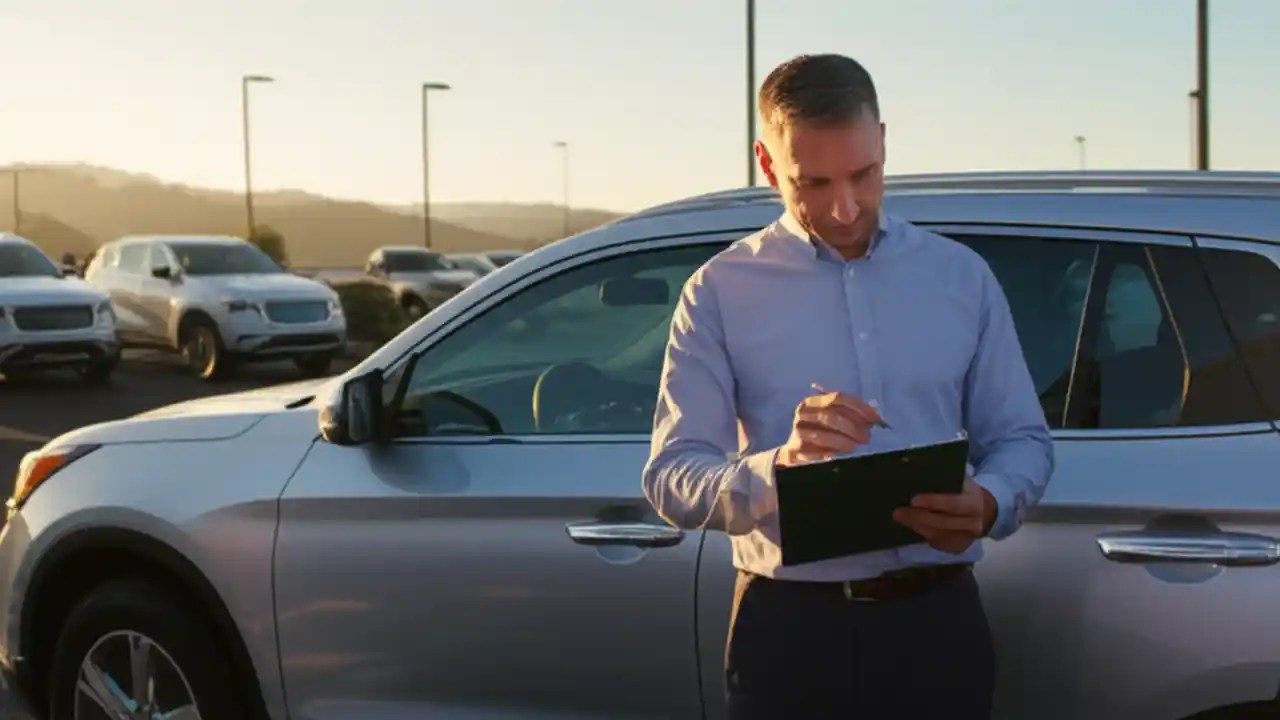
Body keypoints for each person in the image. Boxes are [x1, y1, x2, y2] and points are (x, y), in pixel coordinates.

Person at [641, 53, 1053, 719]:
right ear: (768, 164)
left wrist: (990, 501)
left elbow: (1024, 440)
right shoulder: (718, 292)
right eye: (814, 182)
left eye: (865, 174)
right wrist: (778, 470)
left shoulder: (961, 278)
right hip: (787, 635)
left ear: (884, 141)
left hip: (938, 625)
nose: (845, 207)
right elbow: (671, 476)